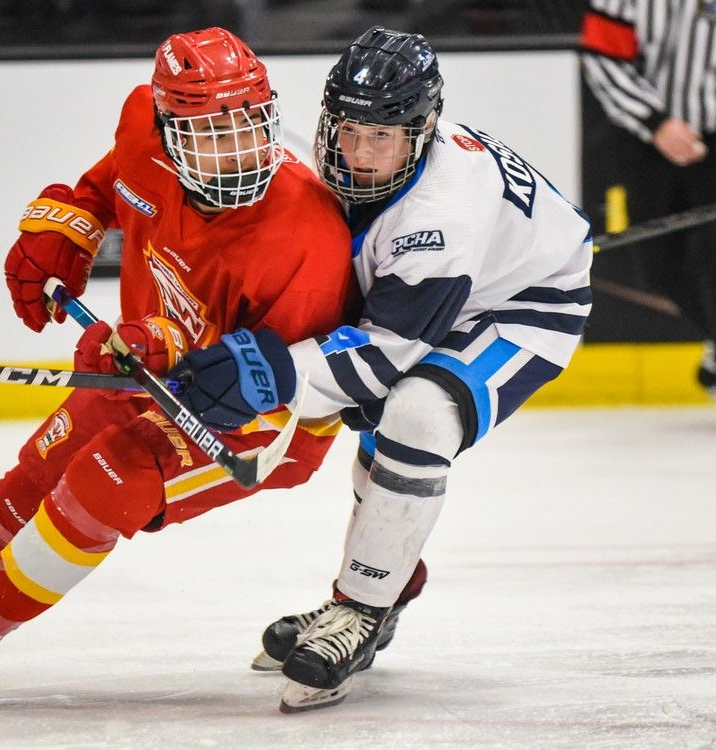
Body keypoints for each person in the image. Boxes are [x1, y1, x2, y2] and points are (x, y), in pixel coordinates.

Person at [0, 26, 388, 712]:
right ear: (168, 131)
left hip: (263, 425)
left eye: (249, 125)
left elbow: (262, 382)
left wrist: (161, 344)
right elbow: (103, 191)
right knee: (31, 481)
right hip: (141, 370)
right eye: (210, 132)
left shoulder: (307, 237)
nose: (239, 151)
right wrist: (63, 228)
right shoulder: (143, 132)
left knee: (103, 485)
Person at [171, 27, 594, 713]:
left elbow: (380, 357)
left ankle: (361, 610)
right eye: (349, 131)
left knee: (419, 414)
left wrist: (264, 375)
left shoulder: (441, 212)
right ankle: (382, 588)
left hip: (521, 307)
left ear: (420, 132)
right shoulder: (362, 163)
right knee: (380, 443)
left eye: (382, 138)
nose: (361, 154)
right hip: (444, 287)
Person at [580, 0, 716, 394]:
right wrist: (655, 122)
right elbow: (603, 57)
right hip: (648, 145)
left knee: (712, 251)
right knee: (657, 263)